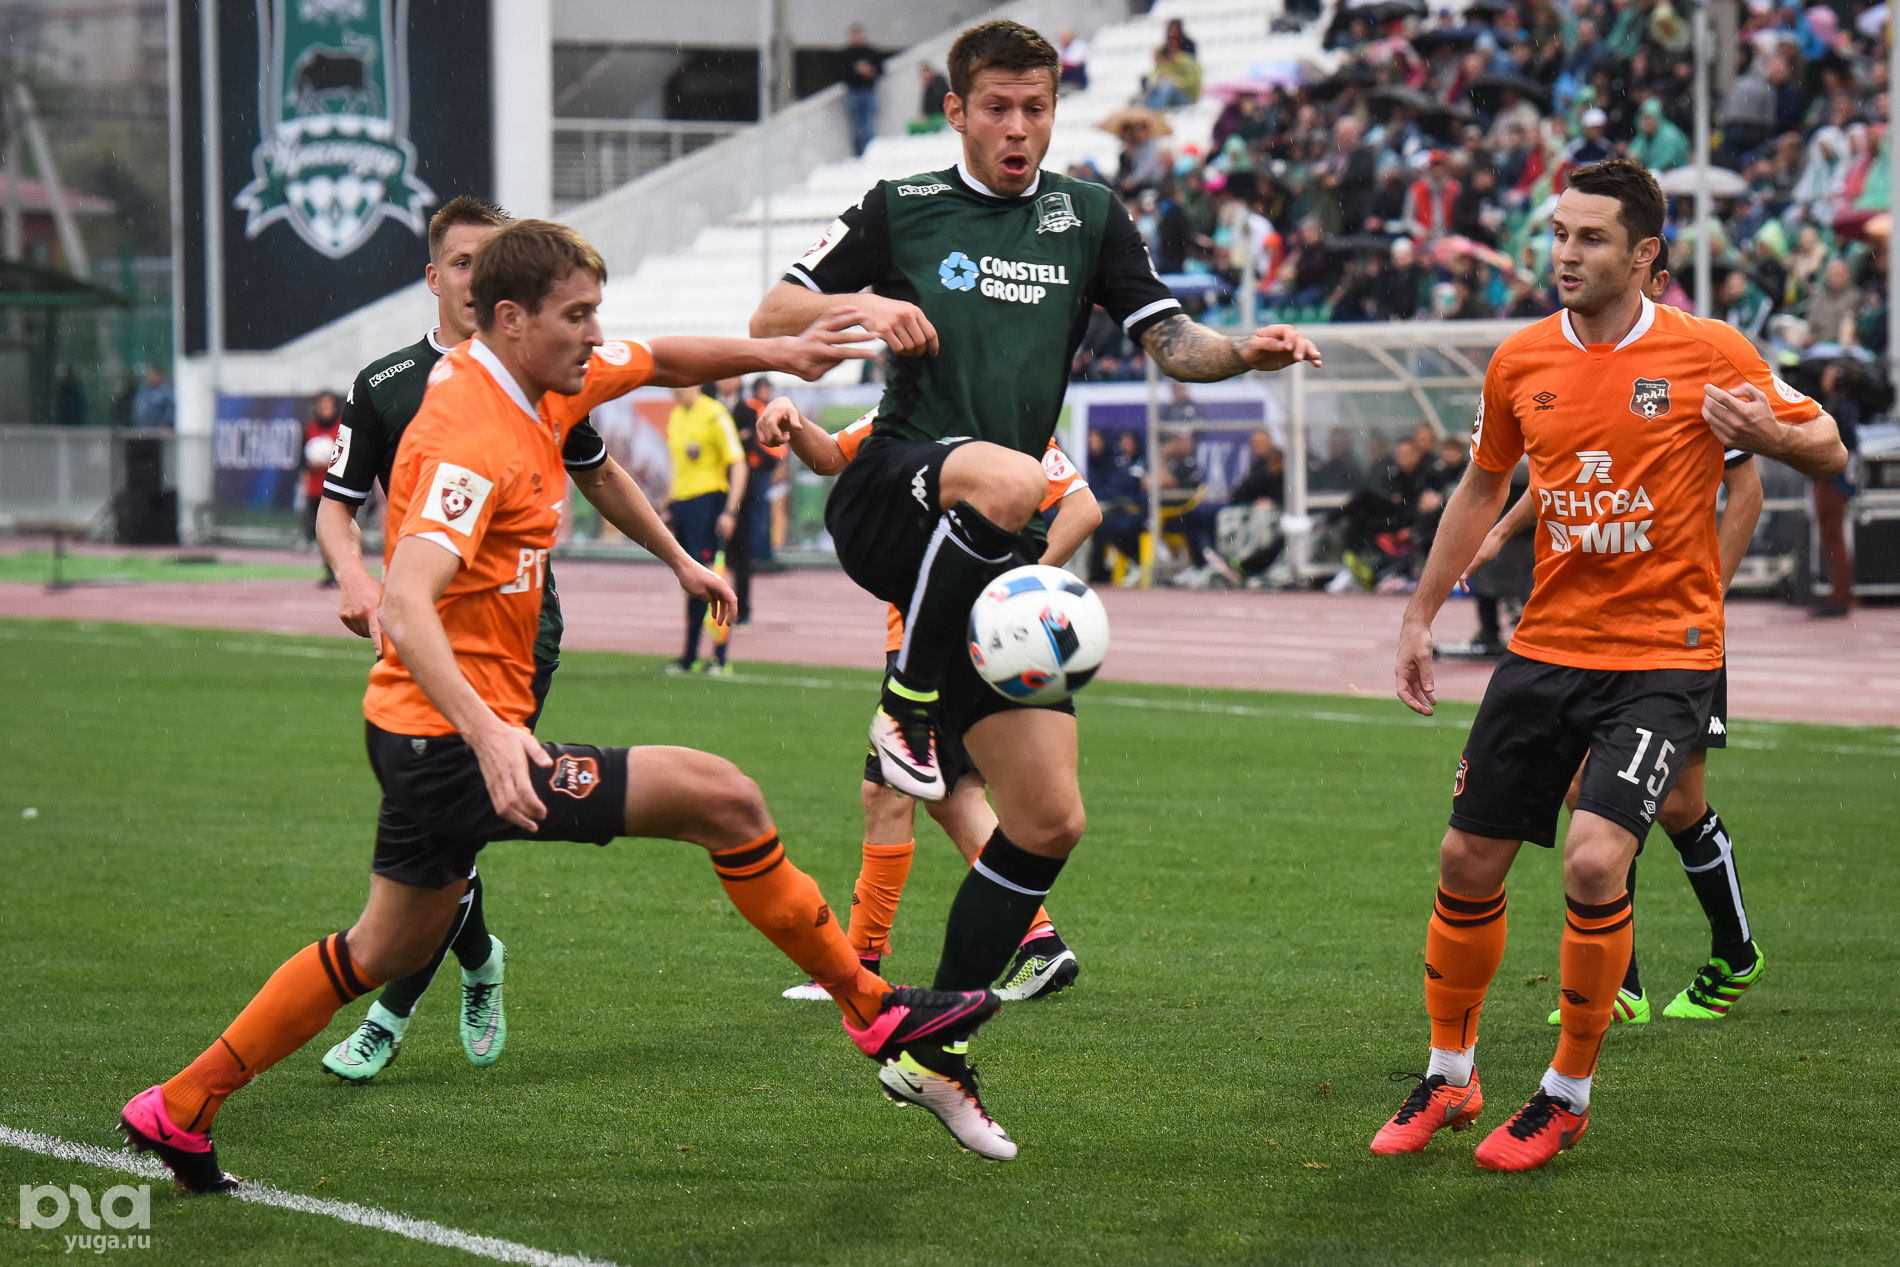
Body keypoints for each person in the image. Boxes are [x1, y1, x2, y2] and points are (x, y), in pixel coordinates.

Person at [119, 219, 998, 1194]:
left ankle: (179, 1105)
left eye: (595, 312)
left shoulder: (546, 377)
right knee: (723, 797)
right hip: (447, 743)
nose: (594, 333)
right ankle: (875, 1009)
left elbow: (661, 358)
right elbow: (405, 603)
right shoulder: (466, 435)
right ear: (510, 318)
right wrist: (493, 736)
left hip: (420, 731)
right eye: (576, 315)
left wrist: (781, 352)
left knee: (384, 945)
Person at [749, 18, 1319, 1157]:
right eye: (998, 108)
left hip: (987, 550)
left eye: (1037, 108)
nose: (1019, 128)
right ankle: (906, 710)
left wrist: (1238, 352)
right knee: (1013, 477)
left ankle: (936, 1047)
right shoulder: (900, 205)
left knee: (1050, 817)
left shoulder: (1089, 216)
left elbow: (1172, 340)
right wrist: (862, 308)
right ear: (956, 111)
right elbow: (772, 315)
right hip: (890, 492)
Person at [310, 197, 877, 1083]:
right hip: (422, 649)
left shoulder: (546, 370)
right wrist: (353, 575)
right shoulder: (397, 386)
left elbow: (606, 459)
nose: (475, 276)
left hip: (514, 645)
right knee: (456, 830)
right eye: (461, 263)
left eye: (490, 259)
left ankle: (388, 1011)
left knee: (465, 819)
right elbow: (339, 508)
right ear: (441, 280)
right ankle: (464, 960)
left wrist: (681, 557)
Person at [1374, 159, 1844, 1172]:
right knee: (1464, 861)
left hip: (1662, 657)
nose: (1565, 253)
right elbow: (1481, 486)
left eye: (1589, 237)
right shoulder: (1520, 359)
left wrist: (1769, 432)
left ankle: (1566, 1094)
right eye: (1558, 233)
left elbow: (1830, 448)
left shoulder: (1708, 349)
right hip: (1545, 649)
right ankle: (1450, 1075)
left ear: (1643, 255)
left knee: (1594, 860)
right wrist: (1419, 615)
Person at [1464, 243, 1773, 1026]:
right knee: (1586, 792)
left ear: (1651, 275)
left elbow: (1747, 491)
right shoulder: (1576, 366)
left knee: (1678, 804)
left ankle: (1735, 952)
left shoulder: (1698, 362)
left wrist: (1708, 597)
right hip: (1595, 632)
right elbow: (1568, 472)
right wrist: (1499, 530)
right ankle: (1623, 981)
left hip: (1675, 631)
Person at [770, 401, 1099, 1008]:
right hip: (936, 638)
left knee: (888, 792)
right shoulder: (901, 411)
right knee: (953, 797)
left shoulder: (1002, 417)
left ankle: (859, 966)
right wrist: (792, 420)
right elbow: (831, 456)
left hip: (940, 644)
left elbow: (1082, 508)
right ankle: (1039, 943)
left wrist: (1010, 593)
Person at [665, 384, 746, 674]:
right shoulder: (676, 416)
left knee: (713, 578)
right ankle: (689, 657)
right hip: (683, 506)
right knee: (689, 579)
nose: (674, 389)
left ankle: (719, 657)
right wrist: (668, 504)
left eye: (680, 382)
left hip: (708, 503)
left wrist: (730, 510)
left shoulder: (715, 414)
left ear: (697, 382)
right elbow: (679, 467)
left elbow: (738, 463)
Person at [302, 391, 341, 585]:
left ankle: (339, 572)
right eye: (322, 405)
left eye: (328, 404)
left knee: (336, 531)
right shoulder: (310, 428)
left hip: (335, 488)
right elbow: (301, 460)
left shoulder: (341, 427)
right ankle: (329, 571)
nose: (325, 408)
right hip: (315, 489)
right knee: (320, 534)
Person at [841, 24, 884, 157]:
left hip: (869, 91)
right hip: (853, 92)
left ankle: (871, 152)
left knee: (869, 124)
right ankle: (859, 154)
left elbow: (881, 70)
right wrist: (856, 71)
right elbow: (841, 74)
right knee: (856, 125)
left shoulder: (870, 52)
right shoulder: (846, 54)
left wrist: (870, 71)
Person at [131, 364, 175, 430]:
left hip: (159, 431)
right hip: (141, 429)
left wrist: (166, 423)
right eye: (149, 375)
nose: (150, 377)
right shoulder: (142, 391)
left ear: (159, 376)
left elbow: (171, 409)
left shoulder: (166, 391)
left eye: (153, 375)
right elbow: (137, 410)